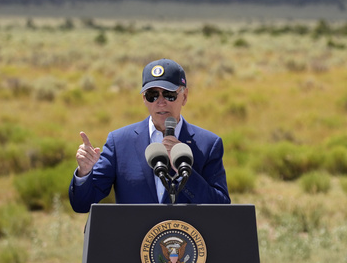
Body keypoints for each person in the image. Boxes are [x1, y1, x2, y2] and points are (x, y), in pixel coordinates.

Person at [69, 58, 230, 213]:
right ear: (144, 99)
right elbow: (82, 204)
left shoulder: (208, 144)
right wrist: (84, 173)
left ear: (185, 96)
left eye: (169, 94)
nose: (161, 102)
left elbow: (221, 208)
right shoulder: (119, 143)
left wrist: (183, 172)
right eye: (152, 95)